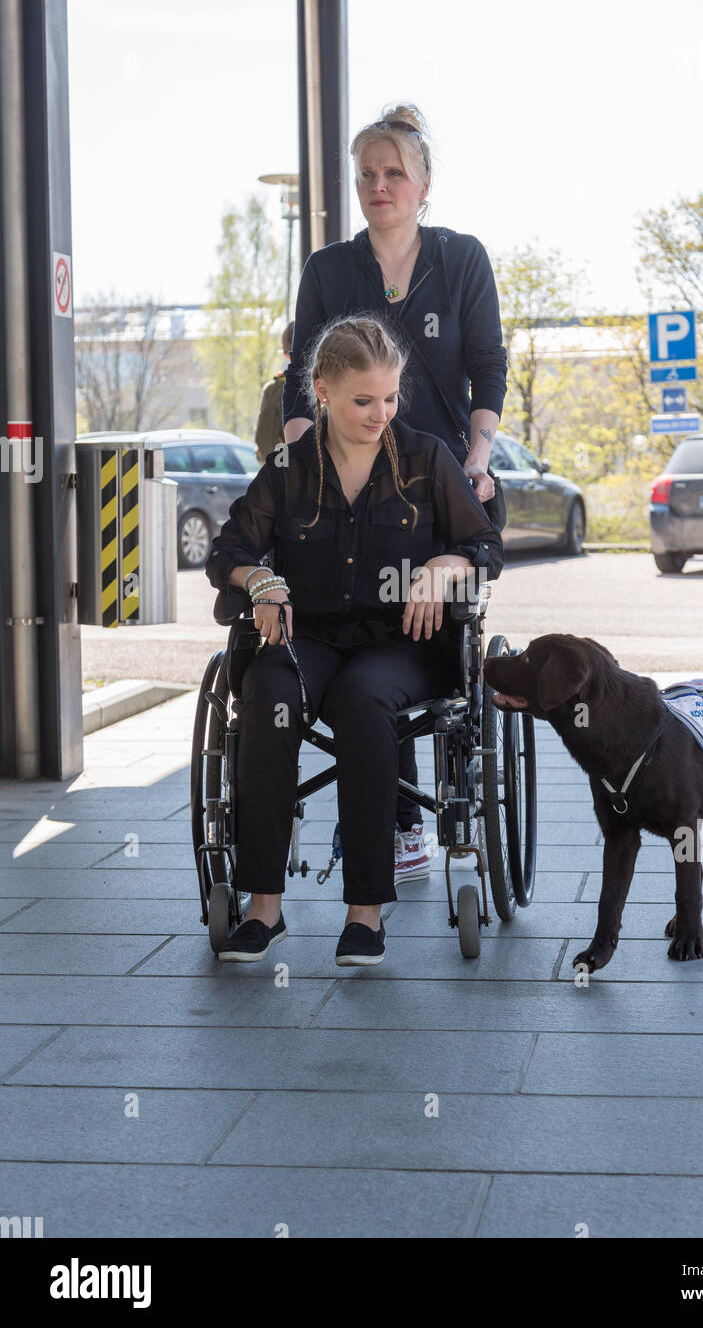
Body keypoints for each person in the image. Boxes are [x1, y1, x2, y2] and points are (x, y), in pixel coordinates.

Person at [205, 315, 503, 967]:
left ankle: (365, 915)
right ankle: (264, 907)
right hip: (307, 635)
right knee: (266, 691)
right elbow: (228, 547)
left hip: (401, 643)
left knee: (367, 700)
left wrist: (442, 567)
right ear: (322, 391)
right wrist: (259, 581)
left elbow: (483, 543)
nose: (380, 414)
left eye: (390, 398)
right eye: (363, 400)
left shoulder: (426, 459)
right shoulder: (289, 468)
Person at [281, 103, 507, 883]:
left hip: (441, 485)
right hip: (348, 488)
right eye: (367, 174)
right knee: (363, 627)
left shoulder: (461, 259)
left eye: (394, 173)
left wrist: (478, 455)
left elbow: (487, 364)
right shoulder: (328, 270)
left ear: (424, 184)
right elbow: (298, 384)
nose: (379, 186)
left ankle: (439, 797)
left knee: (428, 627)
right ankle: (394, 817)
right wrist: (306, 468)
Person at [255, 322, 294, 464]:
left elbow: (265, 444)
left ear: (286, 354)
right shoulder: (335, 385)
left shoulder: (275, 391)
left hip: (291, 476)